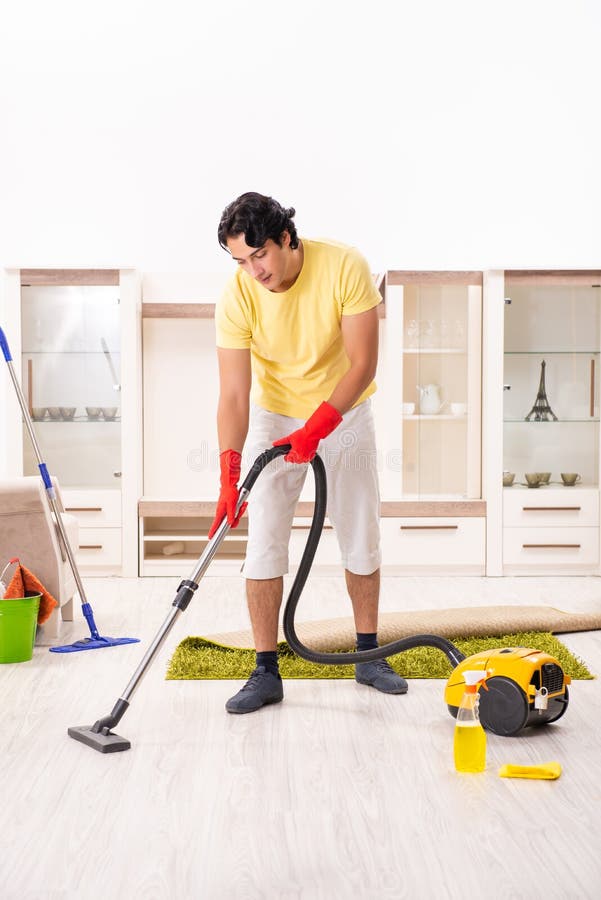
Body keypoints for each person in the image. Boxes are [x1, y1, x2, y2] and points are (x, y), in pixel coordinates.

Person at [210, 192, 407, 714]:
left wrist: (319, 426)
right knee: (264, 541)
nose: (254, 271)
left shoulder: (344, 265)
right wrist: (230, 476)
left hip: (343, 410)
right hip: (275, 415)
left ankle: (369, 656)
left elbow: (362, 363)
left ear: (286, 239)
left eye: (260, 255)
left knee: (360, 530)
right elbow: (233, 395)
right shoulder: (237, 296)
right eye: (241, 261)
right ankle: (265, 671)